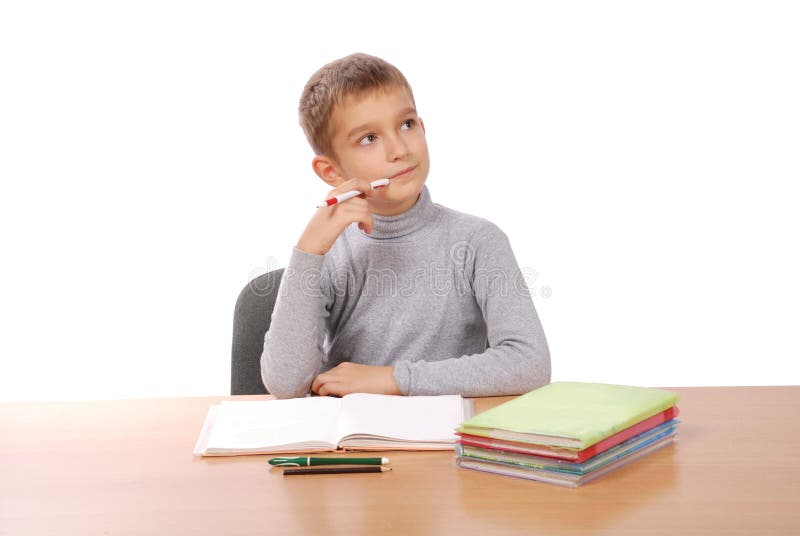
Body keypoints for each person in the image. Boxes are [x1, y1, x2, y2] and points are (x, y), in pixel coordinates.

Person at [261, 52, 550, 399]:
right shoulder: (331, 254)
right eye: (369, 138)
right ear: (331, 172)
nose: (399, 148)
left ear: (422, 126)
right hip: (354, 442)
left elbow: (529, 363)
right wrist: (308, 252)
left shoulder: (477, 242)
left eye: (406, 124)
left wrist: (394, 379)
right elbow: (285, 384)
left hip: (443, 441)